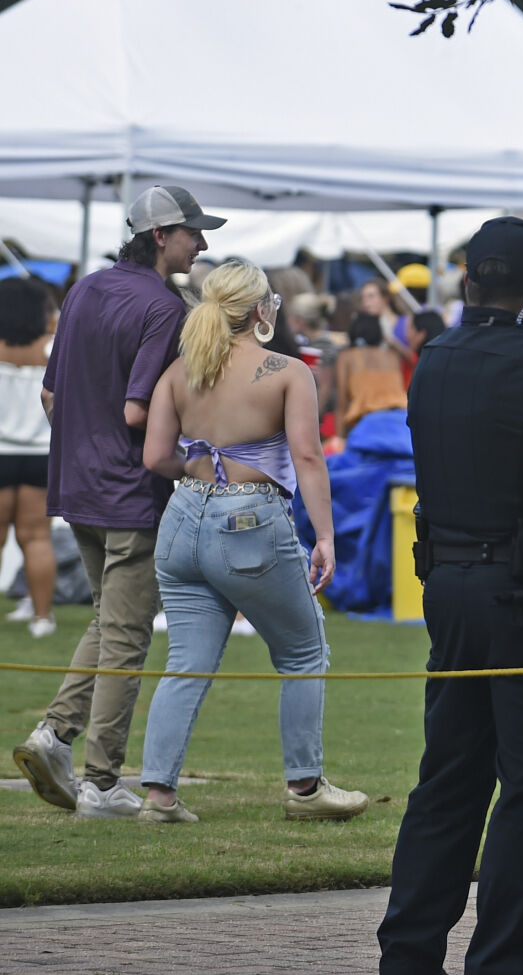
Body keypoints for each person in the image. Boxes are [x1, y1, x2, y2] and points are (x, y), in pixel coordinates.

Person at [376, 217, 523, 975]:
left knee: (451, 774)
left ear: (468, 281)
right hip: (519, 590)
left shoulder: (432, 359)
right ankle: (500, 967)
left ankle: (409, 956)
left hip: (446, 582)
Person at [10, 187, 220, 819]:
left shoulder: (84, 290)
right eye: (193, 233)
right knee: (126, 634)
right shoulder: (165, 307)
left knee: (108, 620)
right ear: (160, 235)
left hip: (77, 482)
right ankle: (101, 781)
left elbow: (51, 396)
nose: (203, 243)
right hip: (129, 489)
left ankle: (53, 735)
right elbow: (137, 409)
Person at [134, 261, 365, 824]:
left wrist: (202, 463)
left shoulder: (179, 371)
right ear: (261, 310)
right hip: (250, 522)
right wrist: (326, 537)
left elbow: (154, 457)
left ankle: (158, 796)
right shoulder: (287, 370)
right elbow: (308, 458)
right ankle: (305, 789)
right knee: (304, 653)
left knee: (186, 662)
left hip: (183, 514)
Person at [0, 277, 57, 640]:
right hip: (40, 453)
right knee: (36, 538)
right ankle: (41, 618)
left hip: (1, 452)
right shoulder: (53, 351)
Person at [333, 313, 407, 439]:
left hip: (367, 421)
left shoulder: (346, 357)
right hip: (401, 418)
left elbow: (342, 403)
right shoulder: (392, 356)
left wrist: (339, 439)